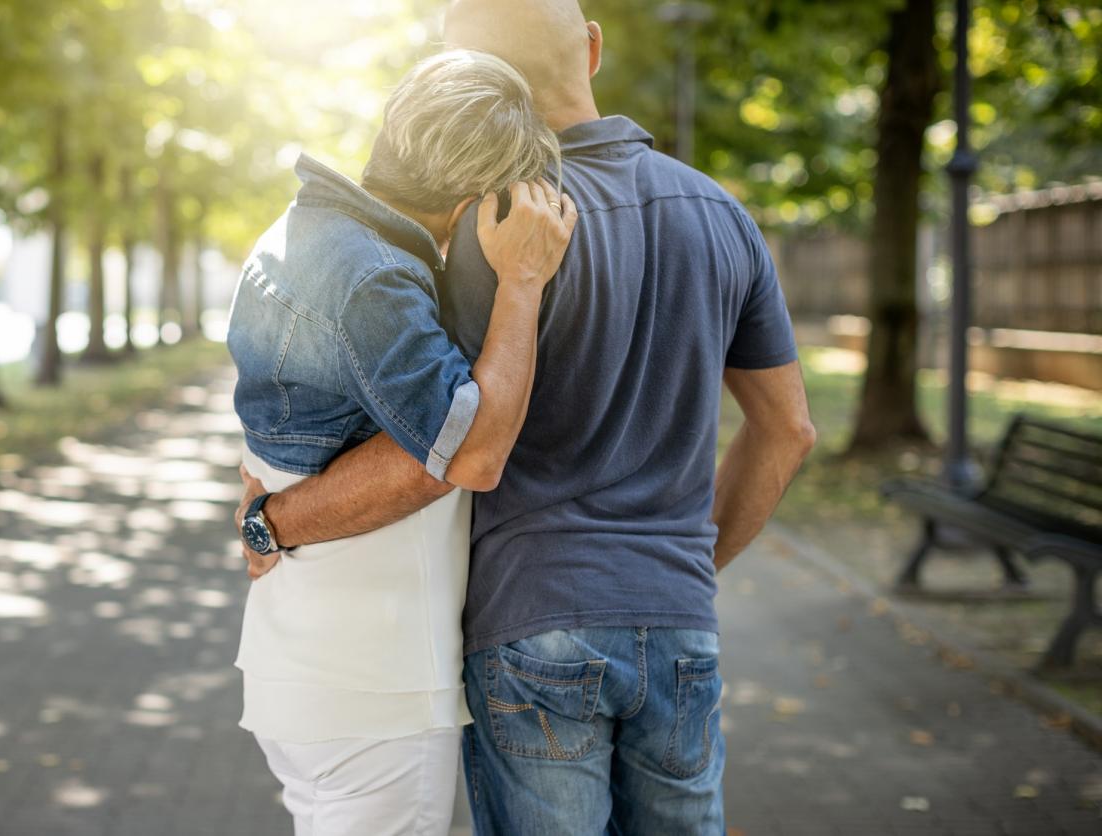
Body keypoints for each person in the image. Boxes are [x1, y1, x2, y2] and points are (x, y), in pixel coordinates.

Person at [235, 1, 818, 833]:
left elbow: (437, 442)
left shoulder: (487, 224)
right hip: (680, 617)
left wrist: (274, 514)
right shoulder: (721, 216)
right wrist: (679, 567)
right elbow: (789, 428)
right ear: (591, 48)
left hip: (531, 620)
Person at [226, 49, 576, 836]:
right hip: (374, 683)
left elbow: (267, 428)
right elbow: (473, 454)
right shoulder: (375, 277)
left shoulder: (298, 232)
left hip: (303, 669)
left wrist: (265, 516)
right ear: (474, 197)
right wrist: (520, 283)